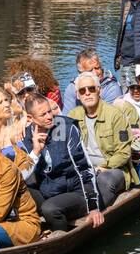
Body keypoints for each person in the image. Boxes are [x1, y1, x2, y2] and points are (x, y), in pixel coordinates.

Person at [21, 93, 104, 233]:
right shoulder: (25, 135)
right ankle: (28, 234)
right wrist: (35, 152)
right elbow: (21, 175)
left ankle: (60, 237)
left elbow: (84, 168)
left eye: (50, 111)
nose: (49, 117)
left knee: (49, 208)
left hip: (75, 192)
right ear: (30, 118)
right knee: (18, 191)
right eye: (43, 115)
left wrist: (93, 207)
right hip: (47, 190)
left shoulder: (67, 127)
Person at [68, 72, 137, 207]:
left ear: (99, 90)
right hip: (84, 168)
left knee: (104, 180)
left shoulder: (115, 115)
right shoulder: (73, 116)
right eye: (82, 91)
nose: (87, 93)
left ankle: (97, 212)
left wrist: (102, 167)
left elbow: (124, 153)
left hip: (113, 169)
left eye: (91, 89)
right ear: (78, 95)